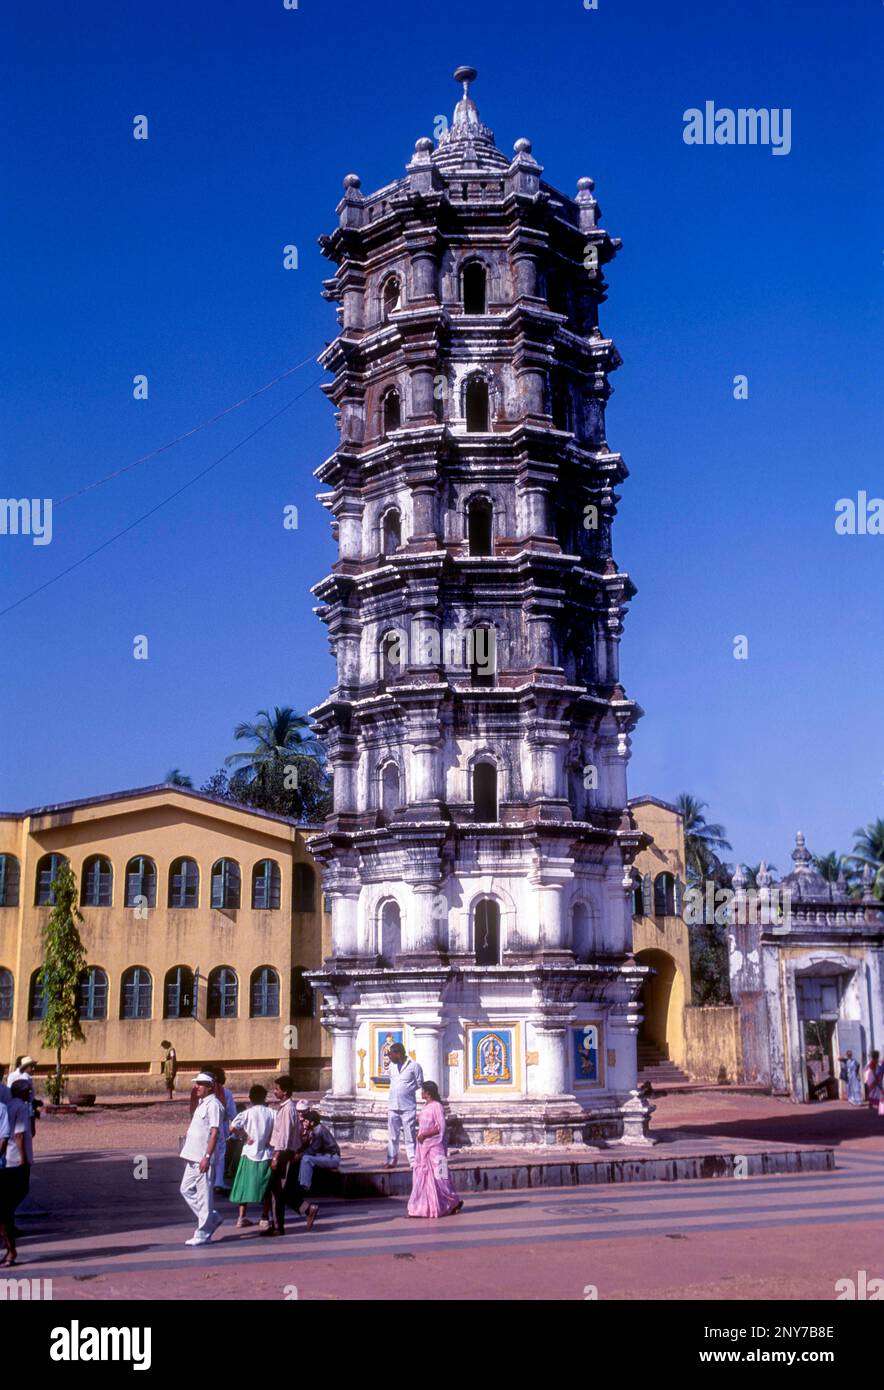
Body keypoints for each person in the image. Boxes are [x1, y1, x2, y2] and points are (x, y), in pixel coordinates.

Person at [179, 1071, 225, 1246]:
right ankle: (212, 1218)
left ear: (210, 1087)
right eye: (196, 1083)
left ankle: (203, 1233)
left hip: (202, 1158)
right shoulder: (202, 1103)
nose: (196, 1087)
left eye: (200, 1084)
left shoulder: (214, 1105)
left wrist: (206, 1156)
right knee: (185, 1189)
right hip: (193, 1156)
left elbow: (214, 1133)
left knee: (204, 1196)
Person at [407, 1081, 463, 1219]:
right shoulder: (426, 1106)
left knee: (442, 1176)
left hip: (437, 1148)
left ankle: (452, 1201)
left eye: (423, 1091)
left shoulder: (437, 1106)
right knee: (423, 1176)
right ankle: (423, 1208)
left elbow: (440, 1127)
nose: (421, 1093)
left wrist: (425, 1135)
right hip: (423, 1147)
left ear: (428, 1092)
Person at [228, 1085, 274, 1228]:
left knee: (243, 1185)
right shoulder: (272, 1113)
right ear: (264, 1098)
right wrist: (270, 1139)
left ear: (250, 1098)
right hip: (266, 1153)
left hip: (248, 1153)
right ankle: (264, 1217)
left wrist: (244, 1136)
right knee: (266, 1186)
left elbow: (232, 1127)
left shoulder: (246, 1113)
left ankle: (241, 1217)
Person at [284, 1110, 339, 1229]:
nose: (304, 1123)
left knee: (306, 1159)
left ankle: (305, 1185)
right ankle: (307, 1208)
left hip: (331, 1157)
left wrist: (298, 1156)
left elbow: (312, 1149)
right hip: (324, 1155)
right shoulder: (314, 1130)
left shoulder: (318, 1131)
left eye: (306, 1121)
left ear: (312, 1122)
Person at [263, 1075, 302, 1237]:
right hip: (284, 1153)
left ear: (285, 1092)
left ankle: (278, 1226)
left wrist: (275, 1157)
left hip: (283, 1154)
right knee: (275, 1191)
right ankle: (276, 1224)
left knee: (277, 1192)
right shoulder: (286, 1107)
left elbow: (284, 1138)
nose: (274, 1091)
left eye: (277, 1089)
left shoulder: (287, 1109)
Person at [1, 1080, 35, 1265]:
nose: (30, 1093)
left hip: (8, 1159)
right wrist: (23, 1157)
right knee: (17, 1194)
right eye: (28, 1090)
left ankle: (10, 1247)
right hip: (16, 1159)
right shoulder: (20, 1107)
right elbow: (19, 1134)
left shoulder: (7, 1106)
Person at [384, 1043, 423, 1169]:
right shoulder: (392, 1067)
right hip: (393, 1105)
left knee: (409, 1135)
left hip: (408, 1106)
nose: (389, 1057)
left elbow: (419, 1083)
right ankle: (391, 1160)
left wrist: (407, 1090)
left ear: (399, 1054)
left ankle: (413, 1161)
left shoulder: (414, 1066)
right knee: (392, 1135)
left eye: (391, 1054)